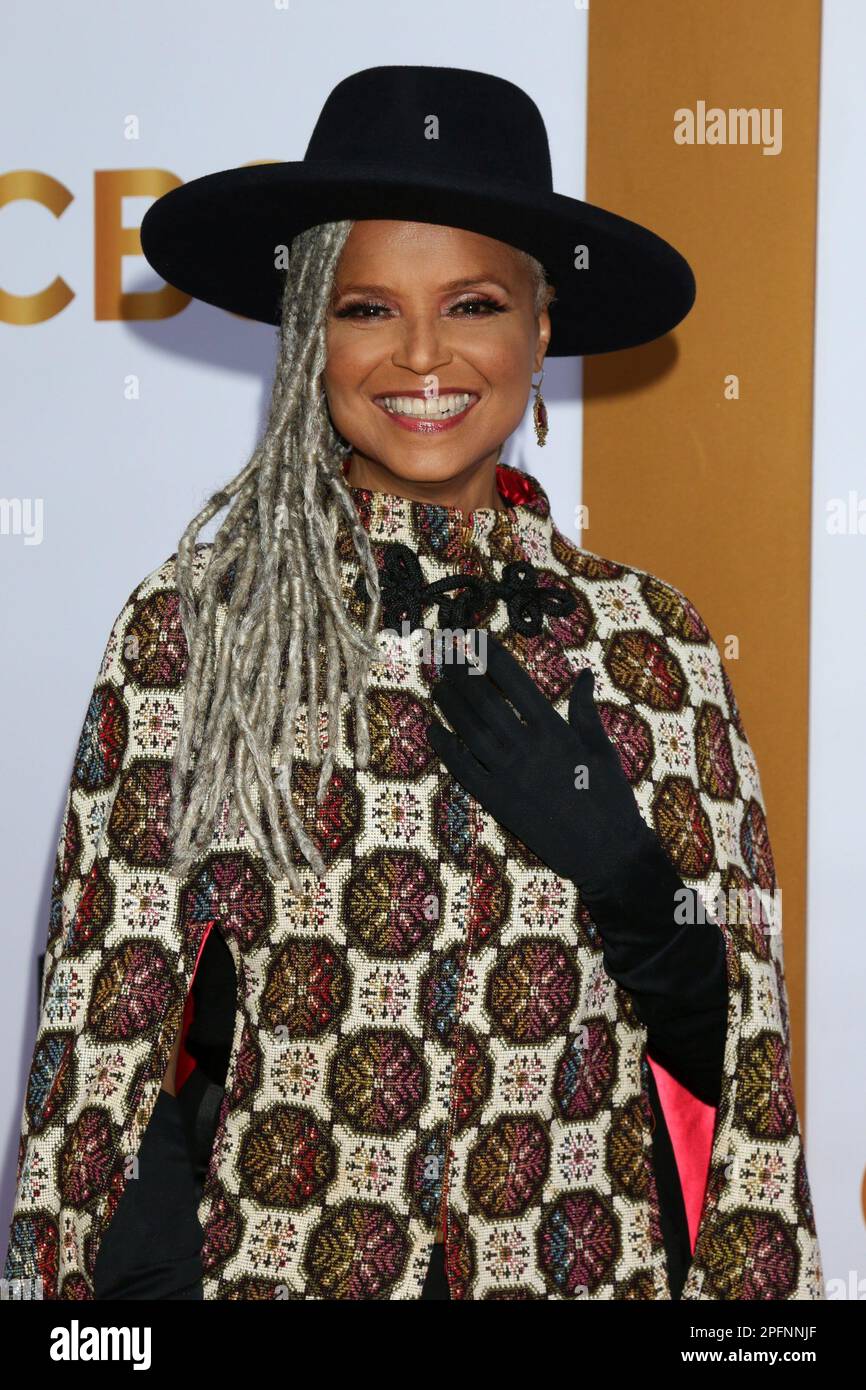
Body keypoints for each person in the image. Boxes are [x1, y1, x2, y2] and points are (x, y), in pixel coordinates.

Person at [3, 64, 823, 1301]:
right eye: (367, 308)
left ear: (539, 327)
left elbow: (738, 1072)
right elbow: (102, 1063)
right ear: (308, 336)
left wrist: (635, 889)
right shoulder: (198, 630)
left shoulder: (651, 643)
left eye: (474, 303)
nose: (423, 356)